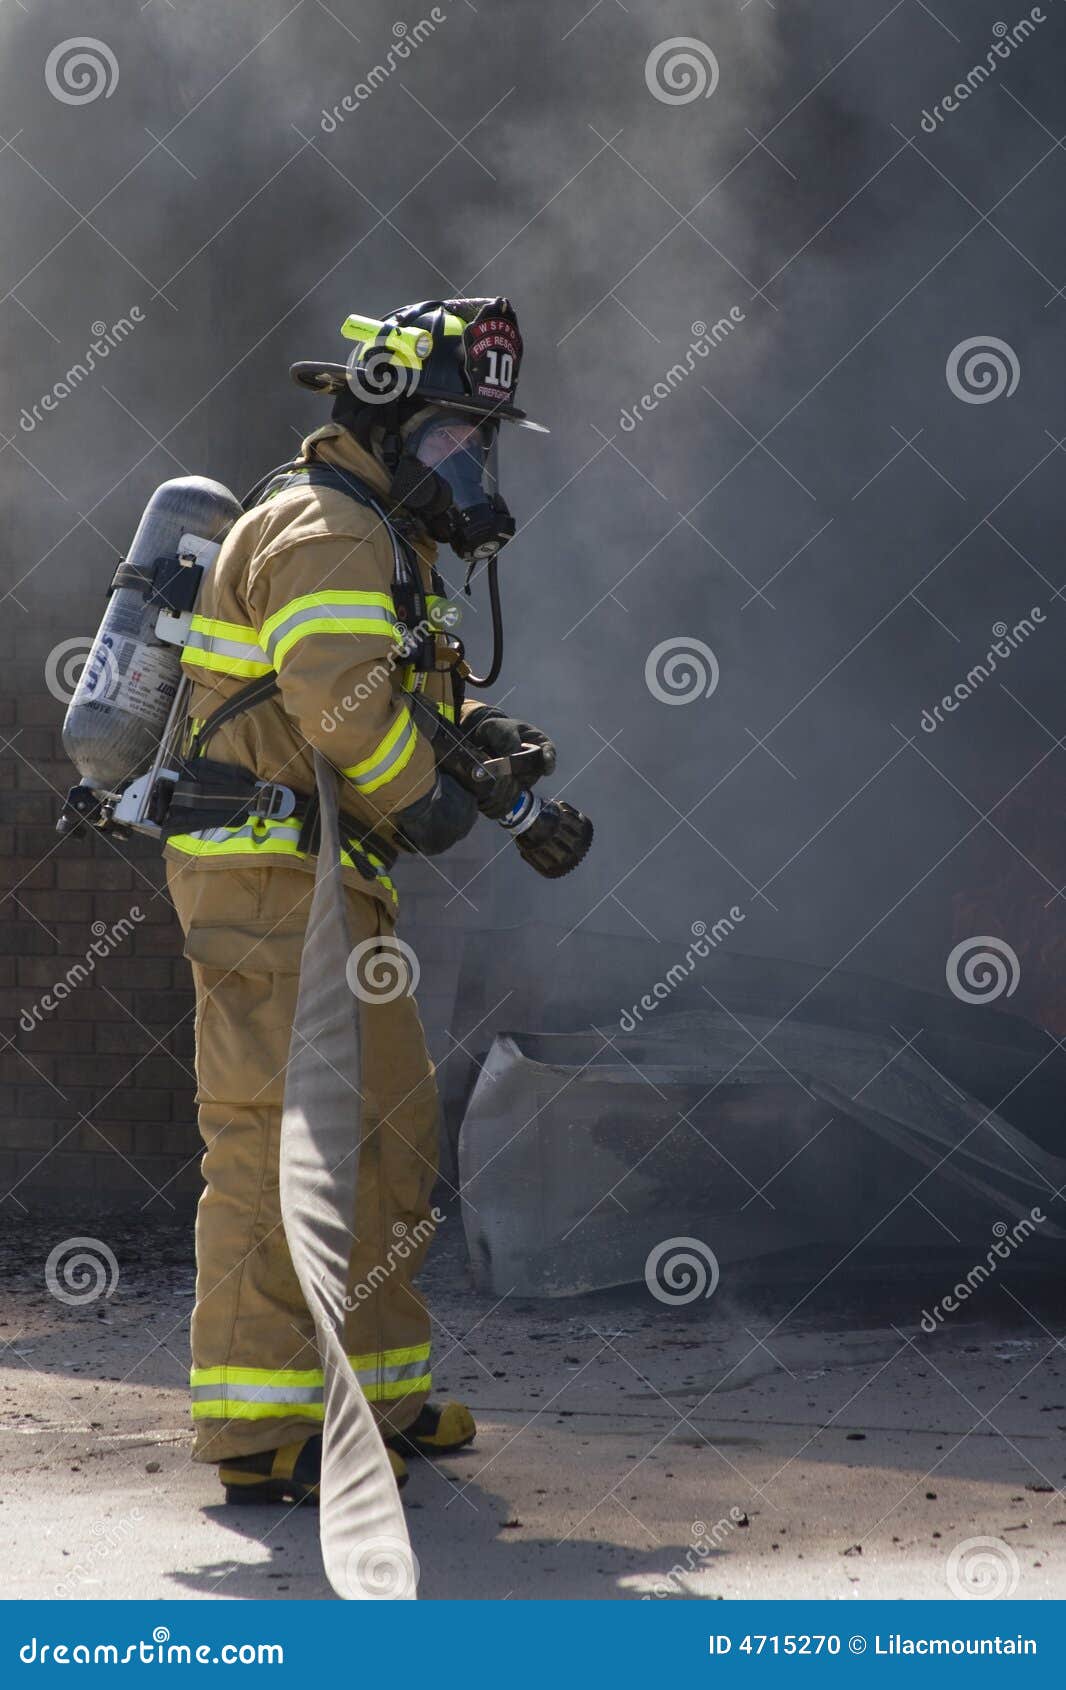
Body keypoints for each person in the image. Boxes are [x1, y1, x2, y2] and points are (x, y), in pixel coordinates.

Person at [164, 298, 555, 1502]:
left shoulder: (381, 537)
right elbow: (345, 714)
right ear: (381, 416)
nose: (470, 469)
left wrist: (484, 745)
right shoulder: (323, 526)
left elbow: (404, 697)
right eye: (453, 440)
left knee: (383, 1140)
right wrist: (436, 800)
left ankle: (372, 1394)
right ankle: (256, 1422)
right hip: (265, 875)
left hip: (331, 880)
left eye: (480, 446)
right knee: (277, 1144)